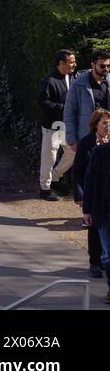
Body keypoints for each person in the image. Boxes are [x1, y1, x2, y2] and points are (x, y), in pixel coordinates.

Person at [72, 108, 110, 280]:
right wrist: (80, 195)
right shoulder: (87, 143)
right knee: (94, 228)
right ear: (96, 125)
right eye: (104, 123)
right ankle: (94, 261)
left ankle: (105, 259)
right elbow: (78, 171)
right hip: (93, 193)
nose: (107, 127)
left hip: (106, 194)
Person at [38, 49, 78, 200]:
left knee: (73, 152)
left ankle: (54, 177)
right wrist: (63, 108)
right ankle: (45, 188)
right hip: (52, 126)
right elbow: (42, 102)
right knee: (49, 156)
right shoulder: (49, 81)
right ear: (62, 63)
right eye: (72, 62)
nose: (75, 64)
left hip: (66, 124)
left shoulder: (72, 76)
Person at [80, 112, 110, 303]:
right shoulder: (100, 152)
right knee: (108, 255)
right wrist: (87, 209)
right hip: (104, 210)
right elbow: (89, 182)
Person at [64, 50, 110, 168]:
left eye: (109, 66)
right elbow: (69, 112)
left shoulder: (108, 82)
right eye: (102, 66)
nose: (106, 69)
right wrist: (72, 140)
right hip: (86, 137)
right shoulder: (79, 84)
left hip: (107, 136)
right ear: (93, 64)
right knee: (87, 171)